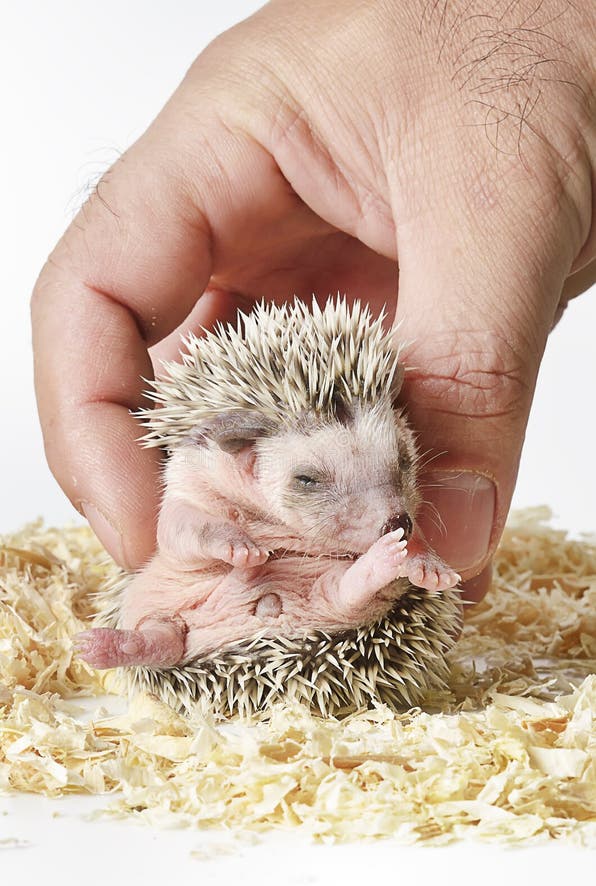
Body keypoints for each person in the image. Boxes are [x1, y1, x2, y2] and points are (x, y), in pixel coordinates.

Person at [30, 0, 595, 601]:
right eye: (310, 479)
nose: (391, 515)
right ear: (241, 456)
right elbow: (181, 527)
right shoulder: (208, 470)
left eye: (400, 467)